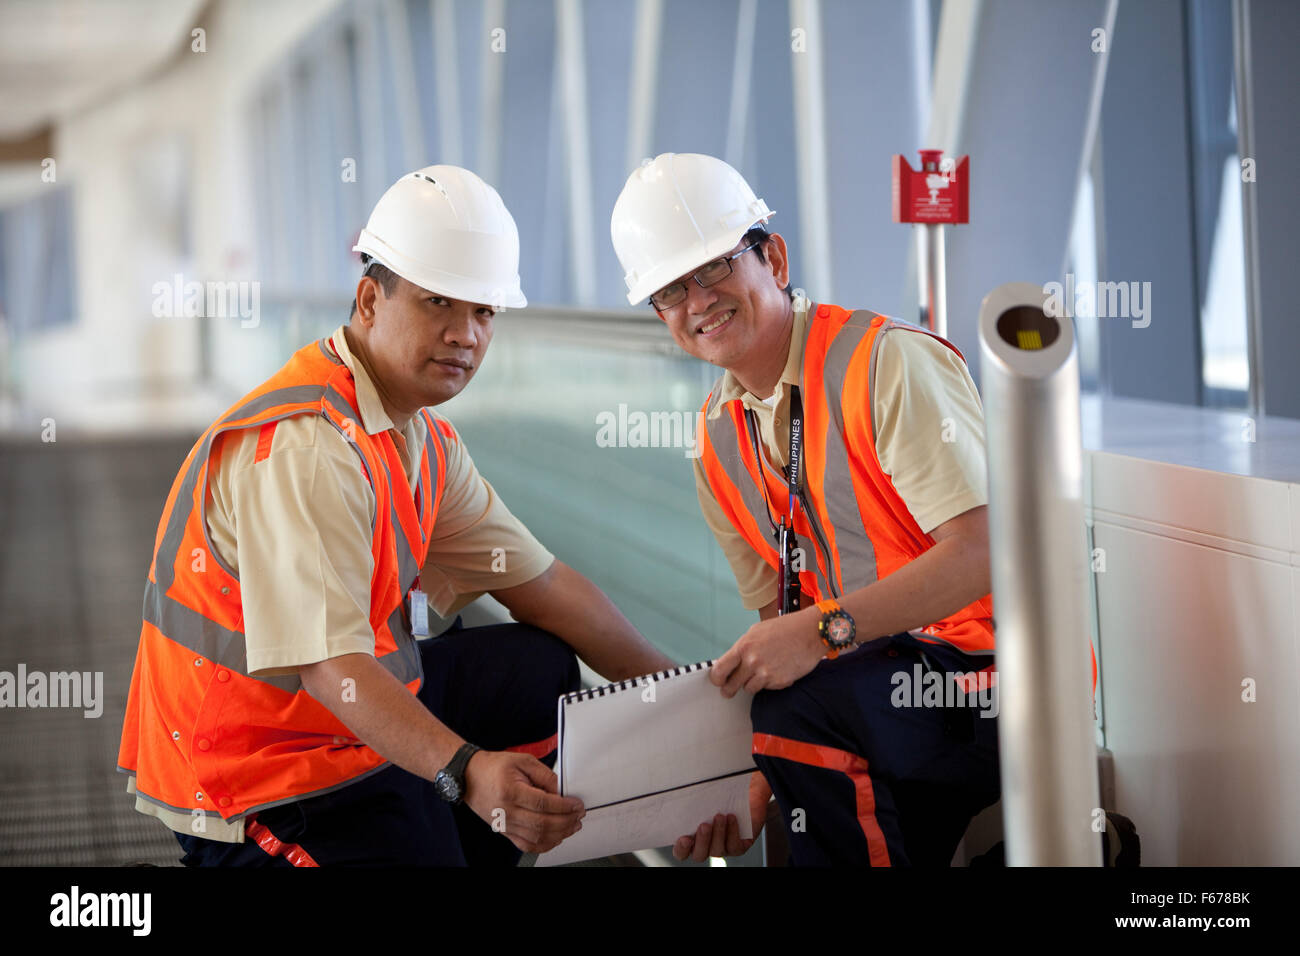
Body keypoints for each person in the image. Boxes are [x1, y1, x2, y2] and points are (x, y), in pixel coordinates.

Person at [118, 165, 675, 867]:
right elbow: (330, 668)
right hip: (252, 767)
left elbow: (550, 589)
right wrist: (467, 770)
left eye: (484, 312)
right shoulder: (309, 446)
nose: (465, 335)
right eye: (438, 302)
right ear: (370, 300)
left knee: (536, 668)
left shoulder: (422, 440)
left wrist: (689, 708)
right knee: (434, 798)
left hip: (343, 722)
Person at [610, 152, 1002, 866]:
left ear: (775, 258)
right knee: (792, 768)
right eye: (669, 290)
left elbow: (982, 554)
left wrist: (824, 633)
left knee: (802, 713)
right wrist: (758, 776)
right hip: (868, 687)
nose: (697, 301)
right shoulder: (716, 438)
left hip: (993, 676)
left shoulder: (885, 364)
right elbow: (780, 632)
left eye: (715, 268)